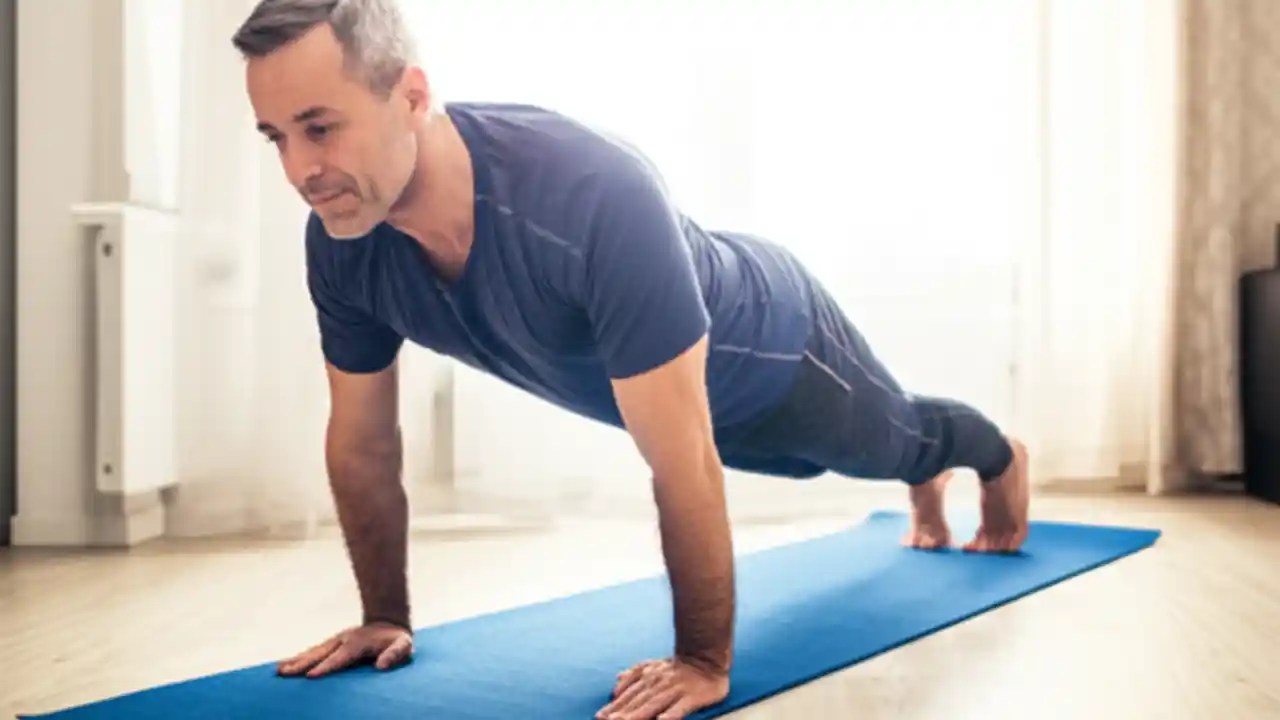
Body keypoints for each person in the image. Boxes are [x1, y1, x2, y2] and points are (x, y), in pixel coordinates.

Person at [233, 1, 1030, 718]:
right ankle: (918, 473)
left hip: (778, 346)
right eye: (279, 138)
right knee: (805, 469)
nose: (301, 170)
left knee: (892, 442)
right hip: (693, 401)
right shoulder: (344, 245)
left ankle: (994, 459)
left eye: (321, 127)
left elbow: (681, 458)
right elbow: (365, 443)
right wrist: (384, 615)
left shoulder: (585, 193)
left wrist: (702, 662)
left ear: (410, 95)